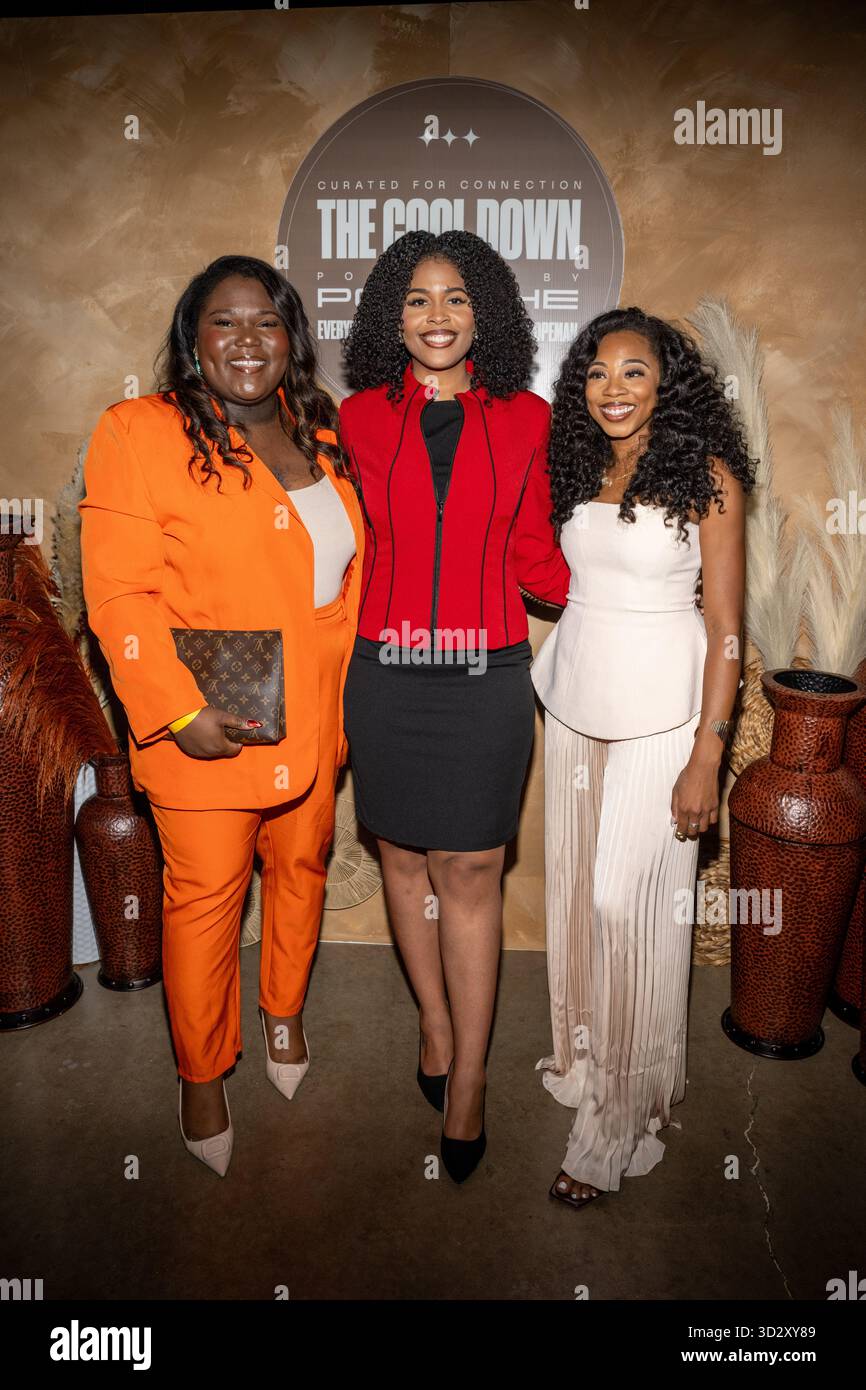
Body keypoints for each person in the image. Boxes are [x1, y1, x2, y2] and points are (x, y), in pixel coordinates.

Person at [79, 255, 364, 1176]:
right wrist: (174, 711)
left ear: (293, 339)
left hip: (318, 710)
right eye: (224, 324)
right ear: (191, 341)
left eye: (267, 323)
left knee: (303, 866)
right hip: (212, 722)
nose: (248, 341)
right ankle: (201, 1072)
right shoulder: (138, 431)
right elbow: (116, 598)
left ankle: (283, 1011)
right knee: (203, 903)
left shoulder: (317, 431)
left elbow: (342, 580)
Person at [338, 230, 570, 1183]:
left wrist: (643, 574)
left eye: (457, 299)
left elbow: (535, 554)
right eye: (419, 300)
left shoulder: (527, 418)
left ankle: (469, 1077)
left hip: (485, 677)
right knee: (401, 858)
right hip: (385, 673)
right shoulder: (352, 418)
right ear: (394, 316)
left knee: (470, 868)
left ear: (488, 315)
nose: (437, 317)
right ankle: (434, 1024)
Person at [531, 306, 756, 1207]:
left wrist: (708, 753)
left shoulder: (709, 477)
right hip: (580, 698)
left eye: (633, 371)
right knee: (580, 900)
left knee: (629, 906)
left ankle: (619, 1123)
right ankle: (592, 1061)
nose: (612, 389)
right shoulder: (580, 462)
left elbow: (728, 630)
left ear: (668, 383)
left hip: (668, 708)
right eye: (595, 372)